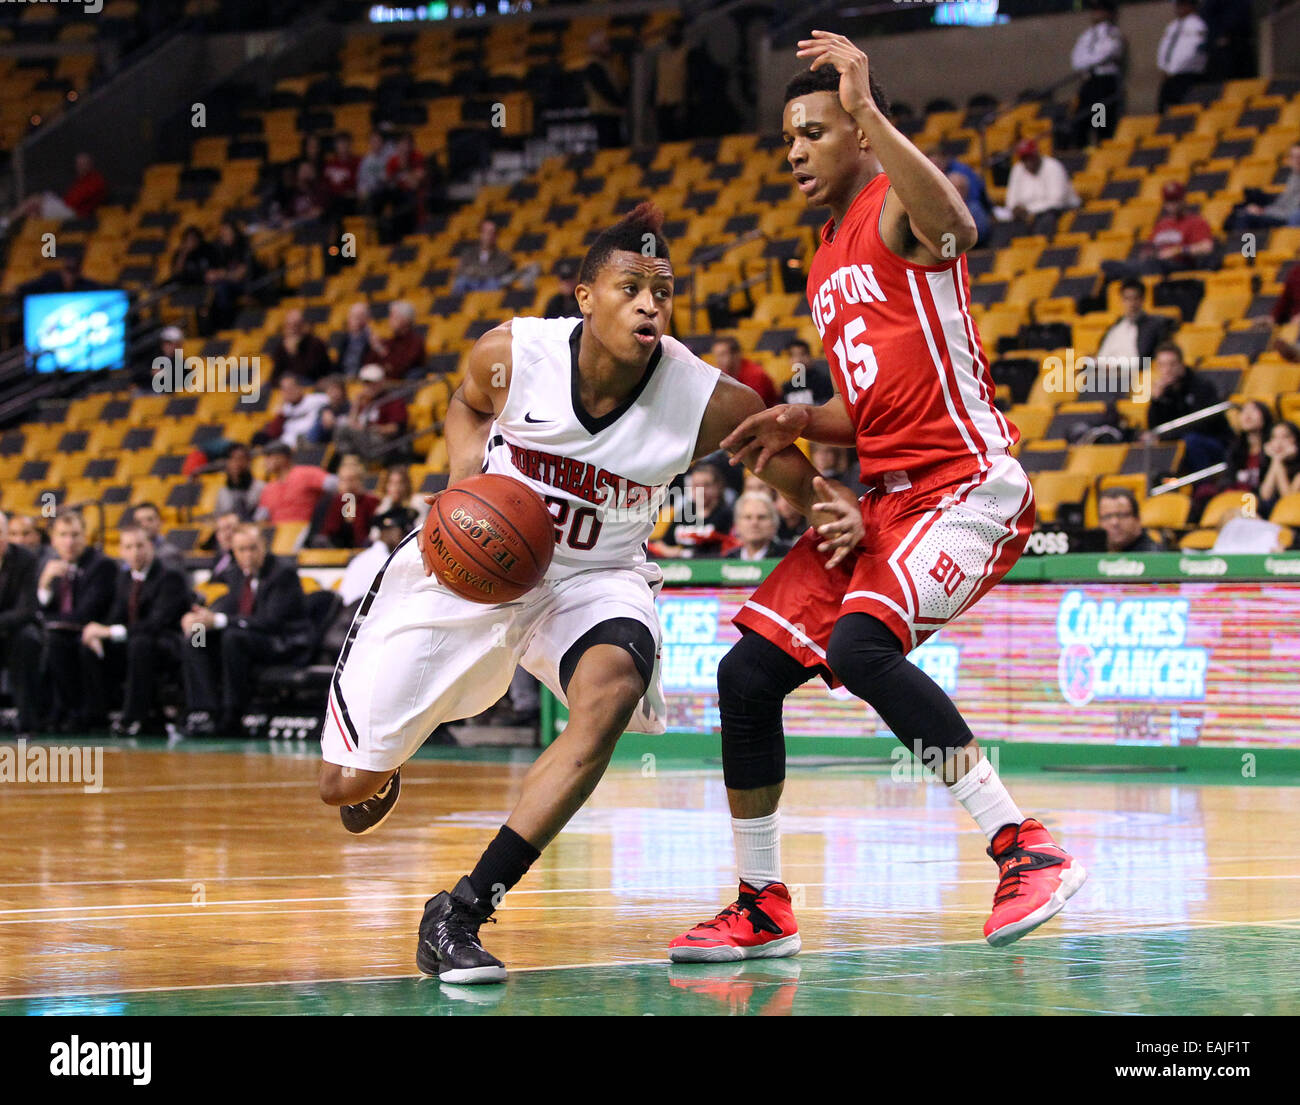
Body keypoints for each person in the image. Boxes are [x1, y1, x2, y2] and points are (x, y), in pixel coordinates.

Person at [316, 202, 864, 985]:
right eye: (631, 285)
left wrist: (832, 510)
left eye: (663, 291)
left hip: (597, 576)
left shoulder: (707, 399)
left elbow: (798, 481)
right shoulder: (513, 353)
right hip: (474, 568)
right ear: (584, 295)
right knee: (346, 787)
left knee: (610, 691)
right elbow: (468, 402)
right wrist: (461, 481)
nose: (649, 303)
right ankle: (389, 750)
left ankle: (461, 910)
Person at [670, 35, 1086, 964]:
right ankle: (762, 902)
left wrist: (867, 109)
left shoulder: (899, 208)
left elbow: (959, 227)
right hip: (891, 496)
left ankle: (1027, 846)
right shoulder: (822, 260)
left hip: (967, 483)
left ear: (858, 133)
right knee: (744, 676)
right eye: (789, 138)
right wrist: (798, 421)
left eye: (814, 132)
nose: (796, 151)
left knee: (861, 646)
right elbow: (870, 407)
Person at [180, 524, 314, 737]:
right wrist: (199, 619)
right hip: (249, 638)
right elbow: (231, 608)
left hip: (284, 642)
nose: (247, 555)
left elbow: (271, 621)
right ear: (233, 551)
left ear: (264, 546)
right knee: (197, 636)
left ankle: (232, 714)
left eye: (253, 548)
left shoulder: (283, 574)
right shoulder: (234, 574)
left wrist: (219, 619)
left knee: (233, 637)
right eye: (241, 550)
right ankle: (205, 711)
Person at [81, 523, 189, 736]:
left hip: (166, 643)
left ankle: (133, 718)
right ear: (121, 551)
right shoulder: (124, 578)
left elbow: (157, 622)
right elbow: (116, 616)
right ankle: (95, 716)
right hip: (133, 641)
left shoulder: (170, 577)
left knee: (140, 644)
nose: (135, 552)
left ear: (151, 546)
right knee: (88, 647)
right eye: (128, 547)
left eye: (140, 546)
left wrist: (112, 632)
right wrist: (100, 632)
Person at [36, 508, 118, 732]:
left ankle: (75, 713)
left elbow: (87, 612)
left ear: (85, 536)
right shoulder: (48, 567)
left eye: (74, 535)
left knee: (57, 643)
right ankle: (45, 713)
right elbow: (37, 609)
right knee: (36, 641)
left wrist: (47, 621)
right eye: (63, 535)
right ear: (53, 540)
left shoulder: (101, 565)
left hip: (92, 633)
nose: (69, 541)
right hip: (57, 633)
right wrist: (44, 584)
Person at [1145, 342, 1230, 472]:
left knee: (1191, 441)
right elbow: (1154, 427)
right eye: (1162, 365)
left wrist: (1164, 436)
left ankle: (1203, 487)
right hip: (1179, 442)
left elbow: (1200, 424)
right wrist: (1156, 401)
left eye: (1172, 364)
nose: (1167, 370)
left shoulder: (1201, 386)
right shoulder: (1163, 391)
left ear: (1181, 365)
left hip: (1214, 442)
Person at [0, 512, 41, 735]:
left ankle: (27, 722)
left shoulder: (25, 559)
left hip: (15, 629)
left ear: (6, 536)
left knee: (28, 640)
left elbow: (27, 609)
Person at [0, 152, 106, 235]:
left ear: (90, 164)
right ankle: (30, 245)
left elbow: (75, 201)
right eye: (78, 164)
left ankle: (4, 224)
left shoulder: (95, 180)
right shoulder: (80, 180)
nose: (80, 167)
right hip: (67, 207)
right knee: (32, 212)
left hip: (76, 213)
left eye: (83, 164)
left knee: (34, 200)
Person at [1068, 1, 1126, 147]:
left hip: (1103, 82)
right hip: (1088, 81)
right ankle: (1082, 150)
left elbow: (1106, 53)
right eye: (1095, 10)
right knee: (1081, 120)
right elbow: (1077, 58)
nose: (1097, 13)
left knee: (1100, 121)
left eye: (1100, 10)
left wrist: (1087, 62)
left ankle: (1100, 147)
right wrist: (1086, 63)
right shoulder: (1087, 35)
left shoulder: (1112, 33)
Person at [995, 139, 1080, 234]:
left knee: (1046, 220)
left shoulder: (1053, 167)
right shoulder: (1018, 169)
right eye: (1024, 158)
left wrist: (1029, 210)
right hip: (1029, 214)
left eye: (1030, 157)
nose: (1028, 161)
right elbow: (1011, 201)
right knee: (1010, 227)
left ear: (1037, 154)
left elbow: (1056, 202)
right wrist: (1016, 209)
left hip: (1060, 211)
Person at [340, 505, 416, 606]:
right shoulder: (385, 562)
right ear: (387, 531)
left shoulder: (363, 558)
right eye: (403, 531)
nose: (406, 537)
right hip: (361, 617)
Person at [661, 461, 735, 556]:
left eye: (706, 485)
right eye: (696, 485)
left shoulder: (726, 515)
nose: (701, 490)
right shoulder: (686, 512)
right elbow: (663, 544)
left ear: (718, 487)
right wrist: (676, 552)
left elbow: (732, 546)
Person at [255, 444, 338, 526]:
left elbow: (339, 485)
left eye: (269, 457)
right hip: (278, 535)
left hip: (306, 532)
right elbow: (260, 519)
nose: (265, 463)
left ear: (282, 458)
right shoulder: (268, 488)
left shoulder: (306, 474)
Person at [1097, 279, 1174, 363]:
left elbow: (1145, 361)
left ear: (1143, 300)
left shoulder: (1153, 325)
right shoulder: (1116, 327)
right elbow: (1101, 355)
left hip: (1134, 372)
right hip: (1106, 370)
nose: (1131, 304)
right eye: (1127, 299)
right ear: (1122, 301)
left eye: (1135, 298)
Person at [311, 456, 380, 549]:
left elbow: (369, 536)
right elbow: (327, 534)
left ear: (360, 481)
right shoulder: (332, 503)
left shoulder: (371, 502)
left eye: (351, 480)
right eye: (343, 480)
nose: (347, 485)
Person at [1227, 143, 1300, 231]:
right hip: (1279, 214)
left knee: (1246, 219)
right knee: (1239, 213)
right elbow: (1281, 204)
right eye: (1293, 157)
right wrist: (1262, 210)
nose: (1296, 161)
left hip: (1288, 219)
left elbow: (1291, 212)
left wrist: (1263, 211)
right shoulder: (1294, 177)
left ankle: (1244, 244)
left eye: (1299, 157)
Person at [1156, 0, 1208, 114]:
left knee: (1183, 110)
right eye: (1178, 5)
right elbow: (1164, 48)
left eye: (1183, 5)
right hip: (1169, 75)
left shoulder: (1197, 25)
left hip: (1187, 74)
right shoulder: (1173, 26)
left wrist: (1173, 69)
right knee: (1163, 109)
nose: (1179, 8)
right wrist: (1163, 66)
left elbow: (1190, 51)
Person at [255, 374, 331, 450]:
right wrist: (280, 416)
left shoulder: (317, 399)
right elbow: (272, 433)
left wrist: (328, 411)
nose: (289, 392)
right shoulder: (284, 409)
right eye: (285, 389)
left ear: (300, 387)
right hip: (286, 447)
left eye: (291, 388)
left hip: (311, 443)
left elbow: (335, 403)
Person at [584, 30, 626, 149]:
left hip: (611, 111)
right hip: (604, 113)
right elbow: (604, 89)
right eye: (605, 44)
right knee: (608, 146)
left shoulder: (605, 63)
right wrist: (620, 103)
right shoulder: (593, 65)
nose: (608, 47)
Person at [710, 335, 779, 408]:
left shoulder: (755, 374)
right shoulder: (723, 374)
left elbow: (752, 406)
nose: (718, 360)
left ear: (736, 354)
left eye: (723, 355)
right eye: (717, 356)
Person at [452, 219, 514, 296]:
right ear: (480, 234)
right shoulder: (468, 253)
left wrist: (475, 270)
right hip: (471, 283)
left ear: (496, 236)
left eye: (492, 233)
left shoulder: (503, 256)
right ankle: (458, 307)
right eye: (486, 232)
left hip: (489, 285)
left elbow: (498, 272)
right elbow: (460, 270)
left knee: (494, 282)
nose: (489, 236)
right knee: (460, 282)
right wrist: (481, 272)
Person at [270, 308, 333, 384]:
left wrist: (293, 354)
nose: (291, 329)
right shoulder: (281, 345)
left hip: (311, 382)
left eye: (295, 325)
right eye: (288, 325)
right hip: (287, 382)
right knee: (262, 389)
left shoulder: (316, 343)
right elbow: (275, 374)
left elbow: (311, 372)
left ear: (303, 326)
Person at [726, 493, 791, 561]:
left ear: (774, 523)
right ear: (737, 524)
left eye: (761, 517)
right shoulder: (727, 560)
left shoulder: (789, 557)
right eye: (748, 517)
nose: (754, 523)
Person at [1097, 488, 1162, 552]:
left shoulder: (1153, 555)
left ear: (1137, 519)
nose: (1114, 522)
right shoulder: (1092, 552)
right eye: (1107, 516)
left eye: (1121, 515)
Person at [373, 301, 426, 379]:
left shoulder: (415, 342)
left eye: (393, 316)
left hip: (405, 385)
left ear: (405, 319)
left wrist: (382, 351)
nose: (389, 320)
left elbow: (399, 368)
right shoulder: (390, 342)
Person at [372, 465, 429, 534]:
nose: (395, 487)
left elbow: (420, 531)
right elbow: (374, 535)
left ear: (407, 485)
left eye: (400, 483)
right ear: (386, 486)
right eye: (391, 483)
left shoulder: (417, 501)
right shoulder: (386, 502)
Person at [1259, 420, 1300, 516]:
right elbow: (1265, 496)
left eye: (1285, 437)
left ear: (1296, 440)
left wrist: (1277, 459)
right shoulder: (1271, 463)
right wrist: (1277, 460)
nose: (1279, 442)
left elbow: (1288, 500)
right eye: (1274, 437)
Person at [130, 502, 186, 572]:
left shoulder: (171, 554)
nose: (144, 525)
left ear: (160, 521)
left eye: (150, 520)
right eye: (139, 522)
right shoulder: (129, 554)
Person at [214, 444, 264, 521]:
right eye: (232, 459)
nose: (236, 463)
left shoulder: (260, 488)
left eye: (240, 459)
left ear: (248, 462)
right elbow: (218, 518)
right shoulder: (223, 492)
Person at [330, 302, 381, 377]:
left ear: (367, 319)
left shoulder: (372, 338)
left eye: (360, 316)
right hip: (343, 375)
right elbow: (338, 363)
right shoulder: (344, 338)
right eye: (353, 316)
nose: (357, 320)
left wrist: (376, 346)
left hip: (362, 376)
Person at [779, 338, 834, 407]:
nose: (799, 359)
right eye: (794, 355)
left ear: (810, 357)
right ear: (790, 360)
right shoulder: (787, 387)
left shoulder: (824, 382)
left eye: (803, 354)